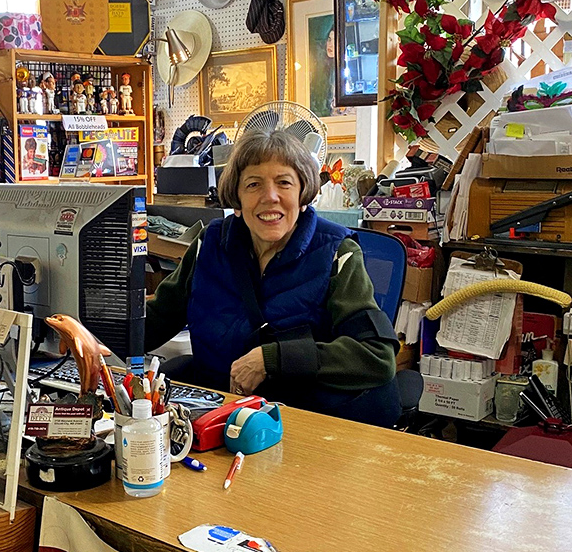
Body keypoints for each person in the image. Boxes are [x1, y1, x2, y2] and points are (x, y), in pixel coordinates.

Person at [145, 129, 401, 427]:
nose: (270, 197)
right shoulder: (209, 245)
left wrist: (273, 359)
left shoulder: (336, 253)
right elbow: (155, 321)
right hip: (217, 417)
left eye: (284, 183)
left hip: (301, 421)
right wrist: (97, 334)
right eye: (253, 184)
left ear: (303, 194)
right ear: (237, 198)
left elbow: (376, 356)